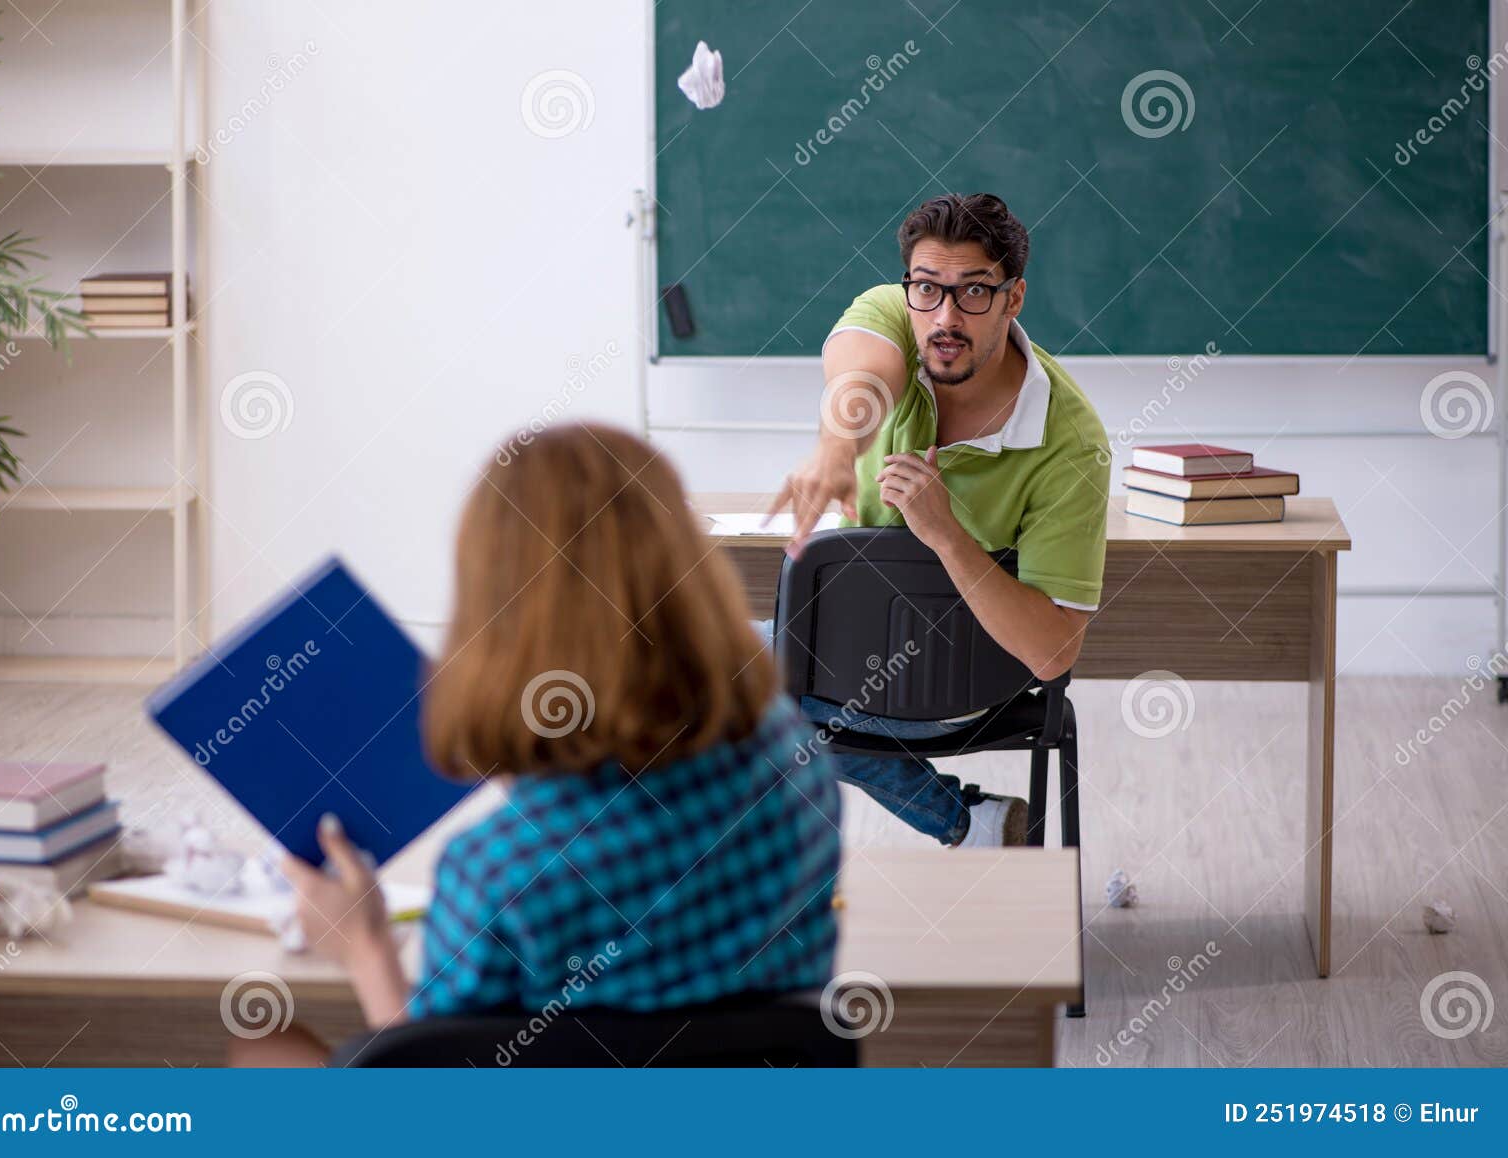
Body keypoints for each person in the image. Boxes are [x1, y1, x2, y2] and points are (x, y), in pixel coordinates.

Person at [234, 423, 840, 1065]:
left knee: (262, 1047)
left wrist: (364, 945)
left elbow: (432, 1091)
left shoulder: (497, 872)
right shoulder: (794, 756)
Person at [766, 192, 1111, 849]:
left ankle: (959, 823)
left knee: (697, 676)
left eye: (975, 292)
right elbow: (860, 379)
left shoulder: (1070, 440)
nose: (945, 317)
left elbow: (1053, 652)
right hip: (836, 667)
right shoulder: (901, 314)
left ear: (1014, 299)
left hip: (963, 693)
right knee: (689, 671)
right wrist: (837, 452)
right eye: (927, 289)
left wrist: (945, 533)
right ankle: (971, 823)